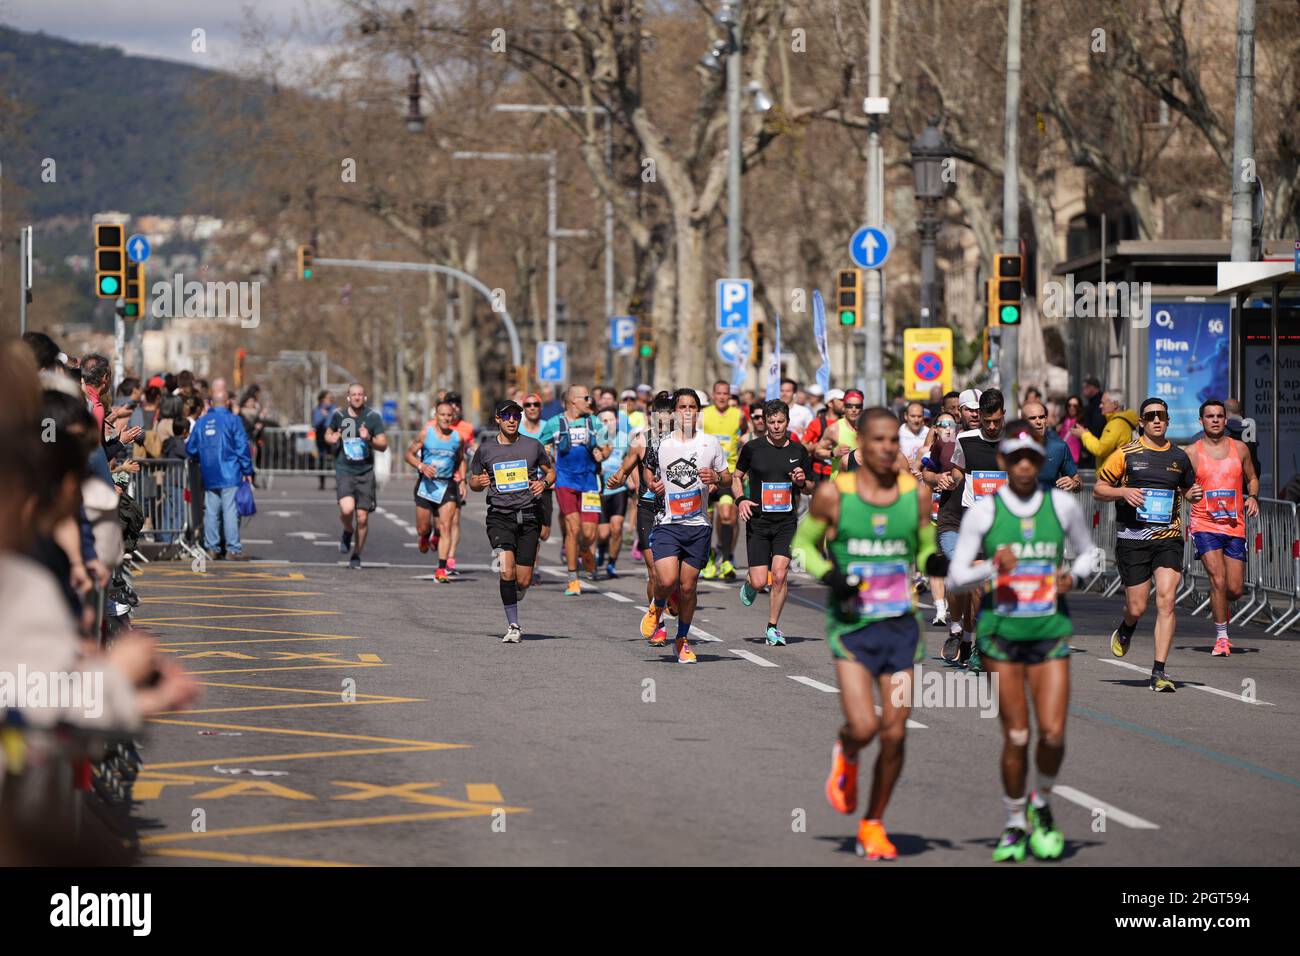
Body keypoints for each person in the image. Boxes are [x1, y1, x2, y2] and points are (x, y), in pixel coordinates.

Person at [793, 406, 943, 861]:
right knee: (865, 725)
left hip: (900, 629)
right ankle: (848, 748)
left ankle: (873, 823)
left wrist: (933, 560)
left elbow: (923, 542)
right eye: (877, 440)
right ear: (860, 442)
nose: (885, 449)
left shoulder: (913, 494)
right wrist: (830, 575)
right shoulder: (835, 494)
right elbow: (803, 545)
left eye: (893, 441)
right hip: (853, 629)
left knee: (895, 735)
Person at [945, 421, 1095, 862]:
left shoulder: (1062, 505)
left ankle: (1041, 804)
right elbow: (955, 574)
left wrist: (1073, 575)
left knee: (1051, 734)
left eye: (1033, 457)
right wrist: (992, 563)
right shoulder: (985, 513)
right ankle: (1014, 822)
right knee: (1017, 734)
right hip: (1002, 635)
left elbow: (1089, 553)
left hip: (1049, 632)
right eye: (1017, 458)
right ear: (1003, 461)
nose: (1026, 466)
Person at [1094, 397, 1203, 692]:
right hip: (1133, 538)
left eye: (1161, 416)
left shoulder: (1179, 457)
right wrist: (1123, 492)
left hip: (1168, 537)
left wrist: (1194, 495)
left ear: (1168, 421)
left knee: (1166, 600)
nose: (1156, 420)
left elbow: (1189, 490)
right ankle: (1127, 628)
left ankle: (1159, 671)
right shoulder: (1126, 454)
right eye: (1150, 416)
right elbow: (1099, 489)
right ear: (1141, 422)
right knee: (1137, 606)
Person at [639, 389, 728, 662]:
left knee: (688, 588)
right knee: (665, 579)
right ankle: (657, 605)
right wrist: (652, 485)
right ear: (675, 411)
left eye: (692, 407)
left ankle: (682, 639)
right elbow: (648, 470)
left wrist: (715, 476)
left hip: (698, 524)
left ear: (697, 412)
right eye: (682, 407)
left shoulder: (710, 443)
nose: (687, 411)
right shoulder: (661, 443)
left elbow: (728, 478)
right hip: (668, 522)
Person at [469, 401, 555, 643]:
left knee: (523, 580)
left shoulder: (533, 446)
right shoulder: (485, 450)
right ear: (497, 419)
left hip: (529, 515)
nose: (511, 419)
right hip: (499, 516)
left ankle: (515, 592)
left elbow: (550, 472)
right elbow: (473, 481)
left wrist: (544, 484)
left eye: (516, 415)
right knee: (506, 569)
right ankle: (513, 625)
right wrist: (480, 482)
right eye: (506, 415)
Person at [733, 399, 813, 645]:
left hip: (786, 523)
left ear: (788, 422)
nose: (776, 426)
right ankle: (750, 581)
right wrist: (741, 500)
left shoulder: (798, 451)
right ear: (765, 423)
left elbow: (810, 488)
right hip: (758, 521)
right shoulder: (752, 448)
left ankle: (772, 627)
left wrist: (801, 480)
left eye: (780, 422)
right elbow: (737, 477)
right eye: (771, 422)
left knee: (779, 575)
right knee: (760, 581)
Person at [1184, 399, 1259, 657]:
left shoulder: (1240, 449)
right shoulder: (1192, 453)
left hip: (1234, 524)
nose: (1215, 420)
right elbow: (1180, 485)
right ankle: (1222, 637)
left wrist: (1253, 497)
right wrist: (1187, 493)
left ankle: (1217, 599)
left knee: (1235, 589)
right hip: (1204, 523)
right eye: (1209, 416)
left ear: (1226, 420)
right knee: (1218, 578)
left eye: (1219, 416)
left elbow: (1252, 478)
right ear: (1201, 421)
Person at [942, 388, 1007, 671]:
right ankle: (973, 641)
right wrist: (954, 481)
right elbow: (959, 469)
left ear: (1003, 415)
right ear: (978, 416)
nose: (991, 426)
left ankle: (978, 642)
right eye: (986, 420)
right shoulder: (966, 439)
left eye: (996, 421)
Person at [607, 392, 676, 627]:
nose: (662, 423)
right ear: (651, 416)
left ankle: (671, 600)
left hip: (674, 510)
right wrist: (617, 478)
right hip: (647, 508)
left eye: (667, 418)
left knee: (672, 576)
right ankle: (658, 622)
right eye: (658, 417)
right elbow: (623, 470)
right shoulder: (641, 441)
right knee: (654, 572)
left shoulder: (683, 443)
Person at [538, 384, 612, 596]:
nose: (589, 401)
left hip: (589, 481)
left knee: (589, 534)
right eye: (585, 397)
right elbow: (541, 445)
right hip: (565, 481)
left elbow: (607, 445)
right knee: (573, 528)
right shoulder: (554, 423)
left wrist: (602, 454)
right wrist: (547, 451)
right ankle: (573, 579)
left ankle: (583, 551)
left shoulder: (594, 422)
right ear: (573, 401)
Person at [185, 378, 254, 560]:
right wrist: (247, 471)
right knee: (230, 511)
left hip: (209, 473)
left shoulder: (202, 421)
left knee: (211, 512)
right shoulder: (233, 420)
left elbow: (191, 448)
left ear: (211, 402)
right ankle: (233, 548)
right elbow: (242, 447)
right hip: (230, 472)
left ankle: (212, 548)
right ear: (228, 401)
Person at [324, 383, 388, 570]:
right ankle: (347, 530)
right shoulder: (339, 416)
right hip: (345, 470)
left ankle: (356, 554)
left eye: (360, 394)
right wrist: (333, 437)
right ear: (348, 397)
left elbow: (383, 444)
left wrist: (369, 438)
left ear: (365, 397)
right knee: (346, 509)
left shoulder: (372, 417)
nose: (357, 397)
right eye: (354, 394)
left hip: (365, 472)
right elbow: (328, 434)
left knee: (362, 518)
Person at [405, 402, 464, 583]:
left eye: (449, 415)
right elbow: (409, 455)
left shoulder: (457, 438)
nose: (446, 418)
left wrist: (462, 480)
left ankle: (441, 568)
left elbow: (461, 459)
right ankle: (425, 535)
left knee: (446, 526)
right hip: (426, 486)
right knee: (423, 528)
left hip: (447, 485)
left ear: (452, 417)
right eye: (442, 415)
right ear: (436, 416)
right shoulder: (426, 434)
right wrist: (422, 466)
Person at [700, 381, 744, 581]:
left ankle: (727, 559)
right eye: (718, 393)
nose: (722, 397)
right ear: (713, 394)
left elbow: (746, 437)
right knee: (705, 521)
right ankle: (708, 558)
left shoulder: (739, 415)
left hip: (727, 475)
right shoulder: (704, 415)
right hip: (706, 476)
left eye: (725, 393)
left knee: (727, 515)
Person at [443, 393, 476, 575]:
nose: (454, 407)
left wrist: (475, 450)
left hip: (456, 477)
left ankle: (450, 558)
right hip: (436, 478)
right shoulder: (435, 426)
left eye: (457, 403)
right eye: (450, 403)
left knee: (454, 520)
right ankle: (436, 539)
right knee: (440, 522)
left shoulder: (466, 427)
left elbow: (470, 446)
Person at [596, 408, 629, 578]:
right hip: (600, 489)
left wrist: (635, 484)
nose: (609, 423)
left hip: (619, 488)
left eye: (612, 419)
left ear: (617, 420)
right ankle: (601, 548)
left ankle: (612, 564)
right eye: (604, 420)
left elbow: (631, 462)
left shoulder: (625, 438)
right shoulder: (596, 438)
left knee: (616, 528)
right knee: (603, 533)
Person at [518, 393, 554, 544]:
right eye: (528, 405)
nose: (532, 408)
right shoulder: (517, 427)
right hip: (521, 483)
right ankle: (530, 563)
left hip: (543, 482)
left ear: (541, 407)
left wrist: (551, 453)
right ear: (523, 408)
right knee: (526, 527)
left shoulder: (549, 426)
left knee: (544, 533)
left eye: (536, 404)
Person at [1022, 400, 1080, 492]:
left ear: (1046, 420)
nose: (1038, 422)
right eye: (1033, 418)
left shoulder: (1059, 447)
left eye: (1041, 417)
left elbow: (1077, 481)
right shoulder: (1011, 448)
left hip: (1048, 504)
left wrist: (1074, 483)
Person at [1070, 390, 1137, 469]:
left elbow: (1101, 449)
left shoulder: (1116, 424)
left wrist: (1084, 435)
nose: (1100, 406)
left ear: (1115, 404)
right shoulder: (1120, 421)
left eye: (1103, 403)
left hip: (1112, 476)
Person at [814, 389, 864, 478]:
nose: (853, 410)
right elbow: (817, 452)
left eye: (857, 406)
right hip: (839, 481)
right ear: (844, 406)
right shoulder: (834, 429)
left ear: (862, 407)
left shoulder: (868, 428)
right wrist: (832, 453)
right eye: (849, 406)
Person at [802, 389, 844, 485]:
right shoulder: (816, 423)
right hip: (820, 474)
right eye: (840, 400)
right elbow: (803, 447)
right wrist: (823, 445)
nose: (844, 403)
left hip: (841, 473)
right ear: (830, 403)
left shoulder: (847, 423)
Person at [1078, 376, 1106, 469]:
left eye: (1085, 387)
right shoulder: (1091, 403)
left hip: (1094, 449)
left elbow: (1096, 428)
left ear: (1093, 387)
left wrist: (1086, 449)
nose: (1083, 390)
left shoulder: (1098, 404)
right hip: (1091, 445)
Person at [313, 390, 337, 490]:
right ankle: (322, 482)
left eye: (331, 398)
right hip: (321, 435)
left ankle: (338, 481)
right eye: (328, 398)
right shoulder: (318, 410)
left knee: (337, 458)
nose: (330, 400)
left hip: (332, 435)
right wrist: (323, 416)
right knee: (322, 458)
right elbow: (315, 423)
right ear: (322, 399)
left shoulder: (334, 409)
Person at [898, 402, 930, 468]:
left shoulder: (929, 433)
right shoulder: (897, 434)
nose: (916, 420)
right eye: (912, 416)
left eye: (919, 416)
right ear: (905, 416)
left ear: (923, 417)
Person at [1058, 395, 1083, 464]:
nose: (1072, 408)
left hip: (1076, 460)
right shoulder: (1062, 420)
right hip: (1061, 458)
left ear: (1079, 407)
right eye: (1069, 405)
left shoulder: (1082, 422)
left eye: (1075, 406)